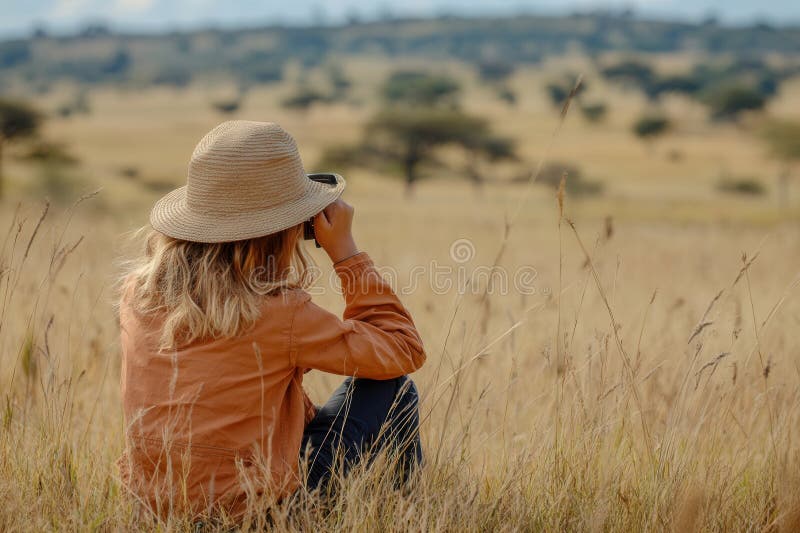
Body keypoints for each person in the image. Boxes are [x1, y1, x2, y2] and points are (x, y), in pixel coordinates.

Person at [116, 120, 426, 520]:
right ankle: (404, 518)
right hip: (256, 514)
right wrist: (346, 253)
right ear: (282, 230)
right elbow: (403, 347)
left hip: (156, 512)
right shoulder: (278, 312)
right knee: (396, 390)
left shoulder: (136, 294)